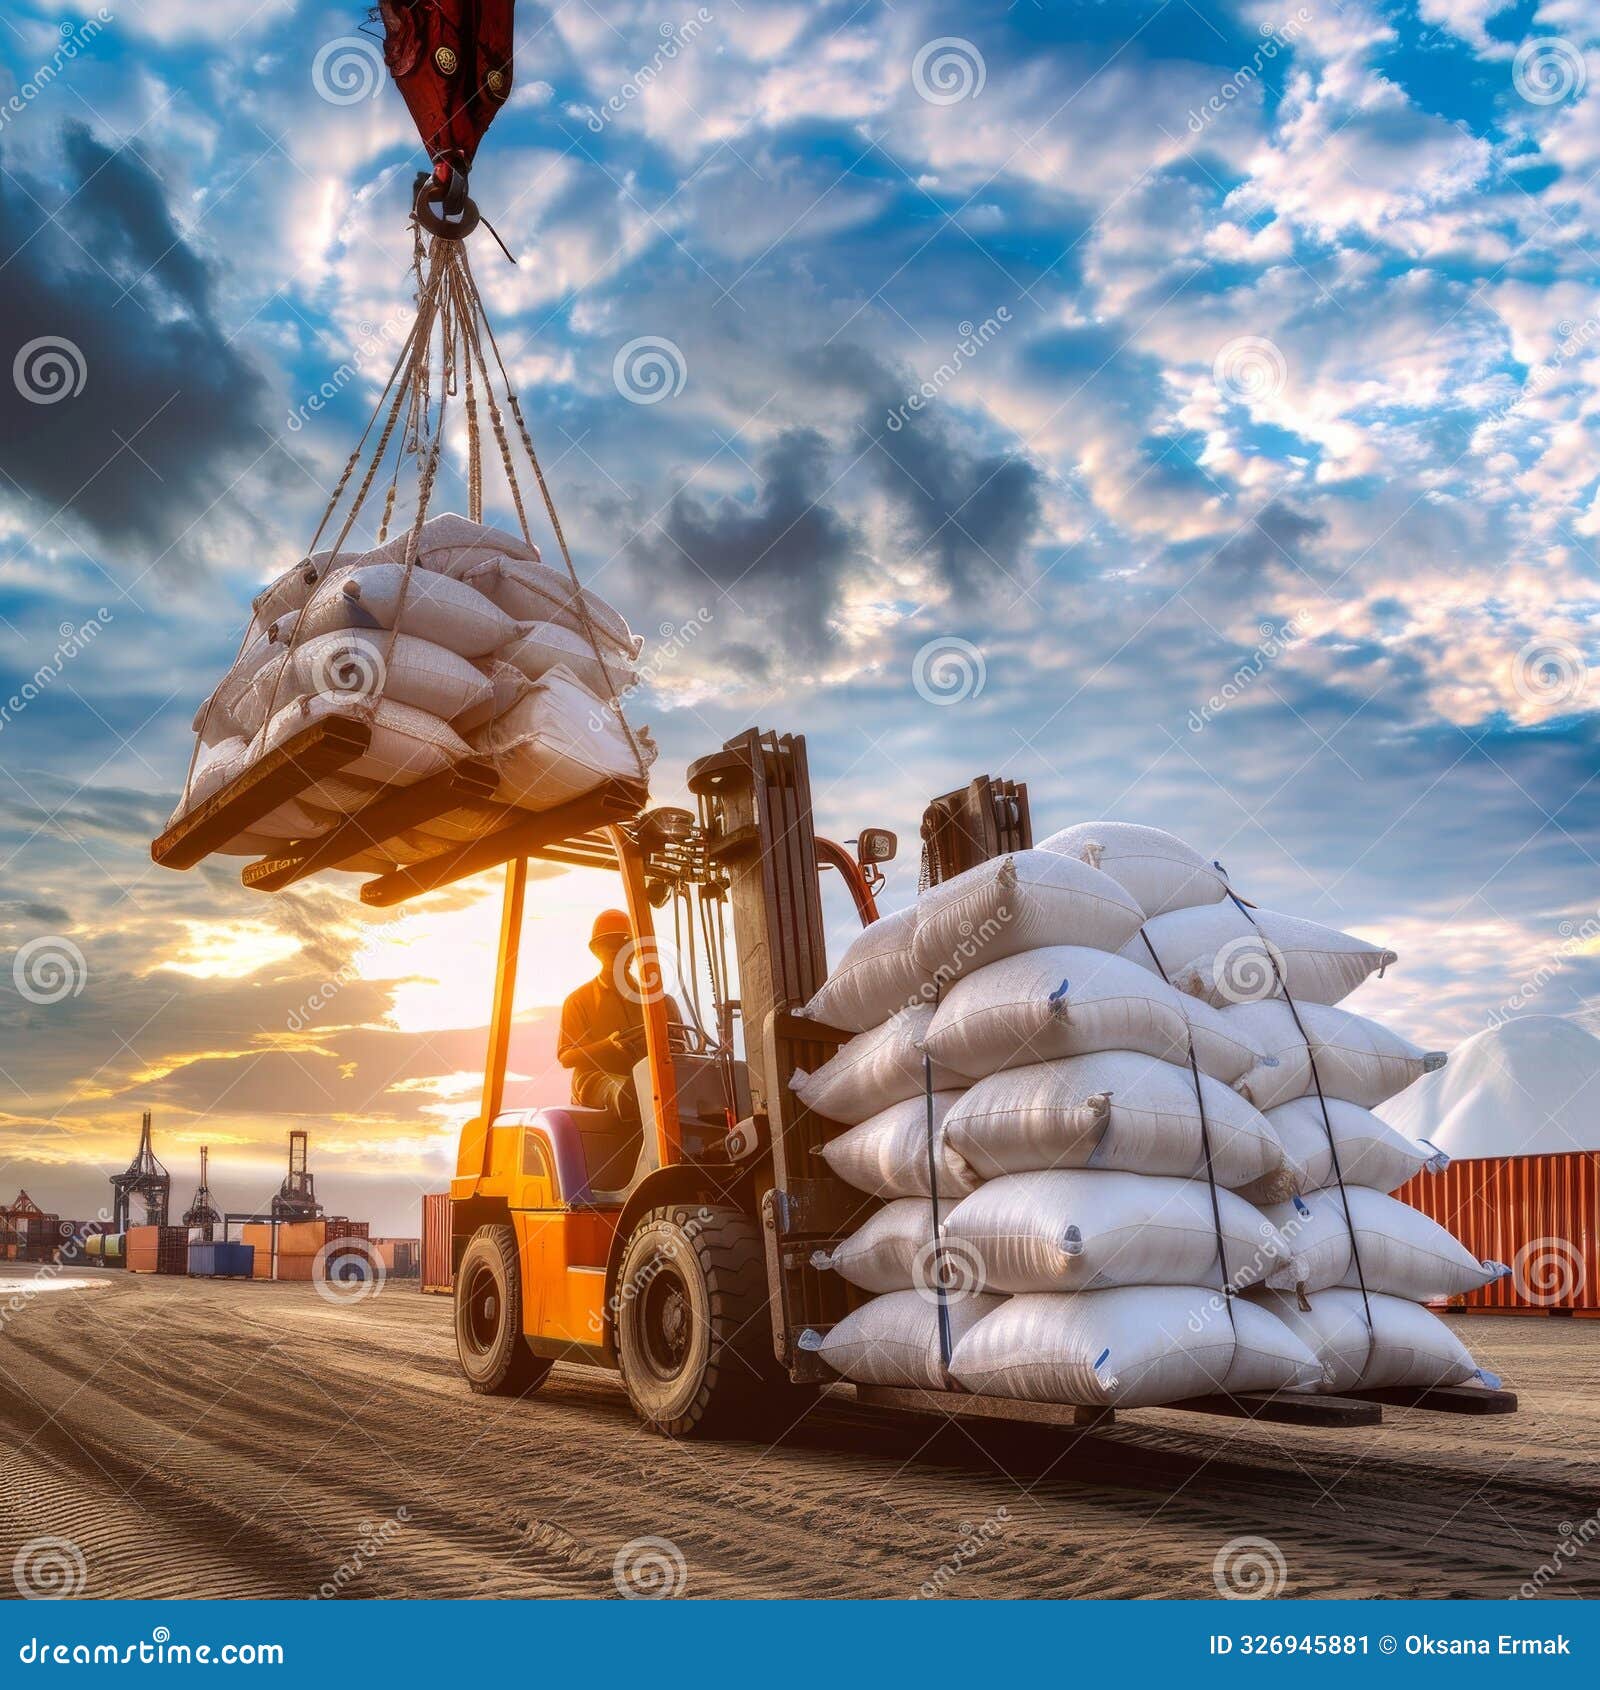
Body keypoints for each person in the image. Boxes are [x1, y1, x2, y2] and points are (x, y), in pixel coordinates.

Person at [557, 910, 679, 1124]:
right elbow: (567, 1057)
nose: (618, 951)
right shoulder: (578, 1001)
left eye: (625, 945)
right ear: (596, 950)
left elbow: (680, 1048)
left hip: (648, 1076)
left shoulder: (660, 1002)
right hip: (596, 1078)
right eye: (610, 945)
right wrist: (608, 1045)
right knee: (632, 1094)